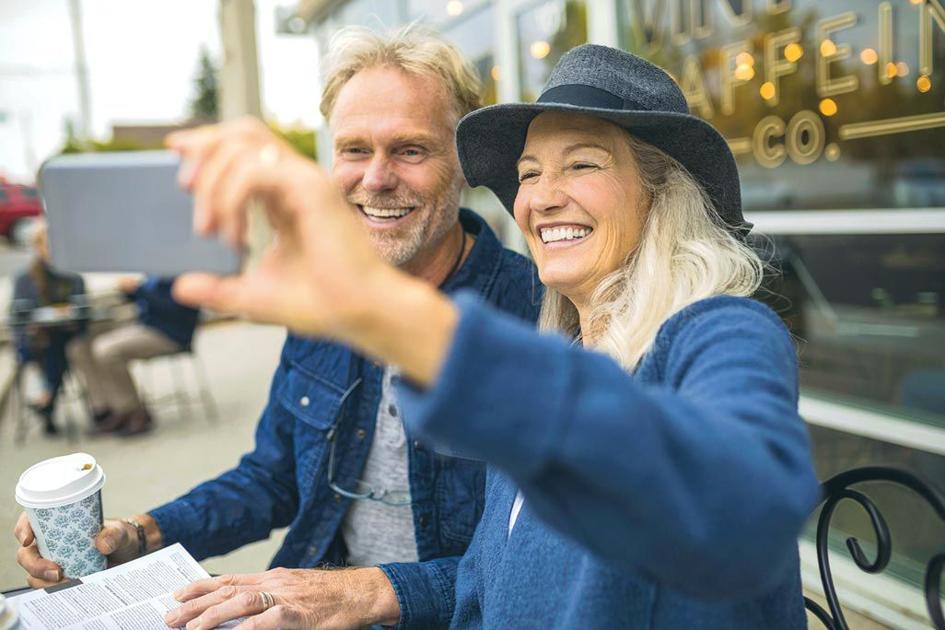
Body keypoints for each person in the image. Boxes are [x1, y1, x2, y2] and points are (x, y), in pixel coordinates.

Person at [144, 45, 819, 629]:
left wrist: (386, 312)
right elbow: (483, 586)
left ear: (662, 190)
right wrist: (147, 533)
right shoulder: (558, 345)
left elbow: (746, 509)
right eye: (528, 175)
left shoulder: (722, 331)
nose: (541, 198)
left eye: (581, 165)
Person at [14, 25, 538, 624]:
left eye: (410, 150)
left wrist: (362, 593)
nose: (376, 178)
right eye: (355, 150)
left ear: (463, 160)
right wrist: (138, 534)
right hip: (307, 603)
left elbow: (533, 560)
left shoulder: (537, 312)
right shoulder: (320, 302)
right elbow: (273, 477)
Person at [69, 274, 200, 436]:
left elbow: (172, 308)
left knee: (107, 350)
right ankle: (105, 408)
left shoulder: (179, 273)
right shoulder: (154, 272)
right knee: (81, 346)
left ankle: (133, 411)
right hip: (147, 326)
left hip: (170, 334)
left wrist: (138, 290)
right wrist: (129, 292)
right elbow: (146, 300)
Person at [8, 221, 86, 435]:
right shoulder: (25, 278)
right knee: (50, 347)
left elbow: (82, 311)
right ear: (38, 247)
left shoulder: (72, 277)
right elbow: (17, 314)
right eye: (46, 244)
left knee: (56, 346)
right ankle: (47, 399)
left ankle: (45, 399)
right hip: (33, 341)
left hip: (63, 337)